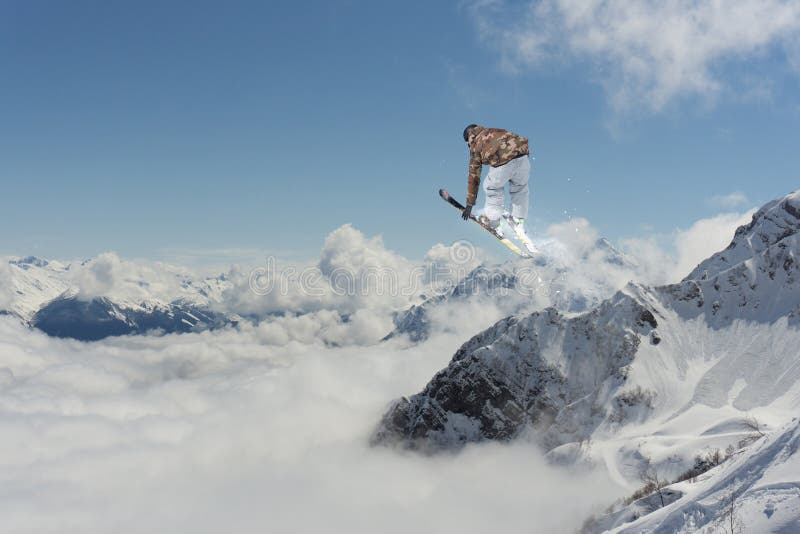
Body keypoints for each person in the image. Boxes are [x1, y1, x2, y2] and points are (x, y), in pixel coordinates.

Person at [460, 125, 531, 237]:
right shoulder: (494, 130)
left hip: (505, 159)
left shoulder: (475, 143)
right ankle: (518, 220)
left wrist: (469, 205)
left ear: (469, 136)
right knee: (520, 188)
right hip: (523, 156)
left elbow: (474, 176)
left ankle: (493, 222)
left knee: (491, 187)